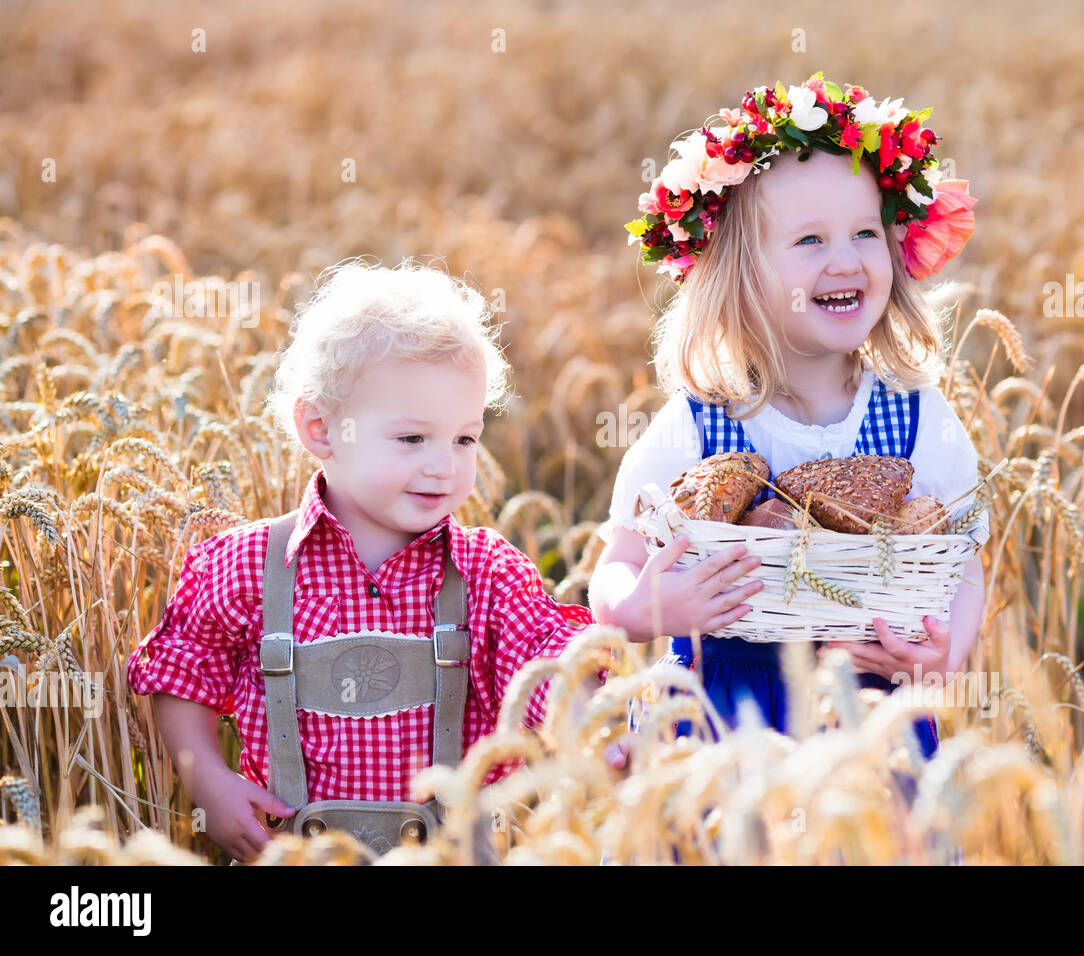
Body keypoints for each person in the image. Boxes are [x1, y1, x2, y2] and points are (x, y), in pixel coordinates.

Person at [127, 261, 597, 863]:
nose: (444, 466)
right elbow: (179, 675)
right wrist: (210, 783)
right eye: (412, 439)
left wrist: (598, 728)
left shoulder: (485, 574)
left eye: (464, 438)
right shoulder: (250, 566)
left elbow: (547, 665)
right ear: (321, 429)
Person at [589, 74, 990, 769]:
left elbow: (961, 561)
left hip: (869, 717)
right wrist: (643, 608)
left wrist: (947, 644)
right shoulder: (699, 426)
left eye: (865, 232)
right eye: (810, 240)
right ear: (739, 274)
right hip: (718, 720)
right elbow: (616, 567)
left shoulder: (918, 415)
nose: (847, 259)